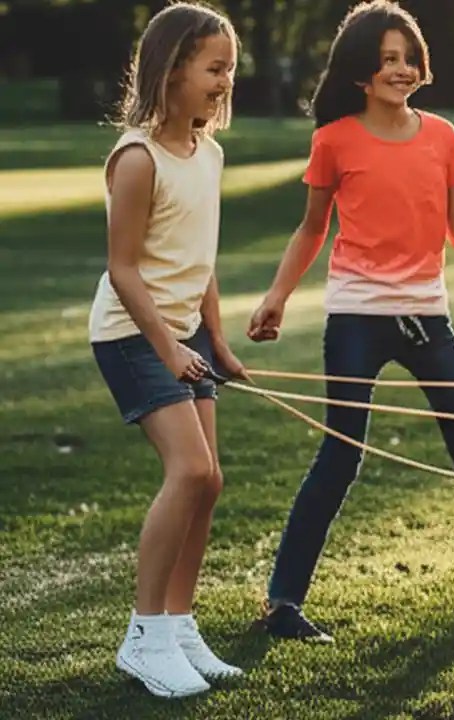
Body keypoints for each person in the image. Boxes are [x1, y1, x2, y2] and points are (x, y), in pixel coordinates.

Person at [247, 0, 454, 643]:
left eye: (408, 58)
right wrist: (277, 296)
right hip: (357, 317)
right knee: (342, 452)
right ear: (361, 74)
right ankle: (283, 601)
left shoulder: (443, 136)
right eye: (386, 60)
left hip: (427, 315)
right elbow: (313, 228)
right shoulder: (334, 139)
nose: (400, 69)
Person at [89, 2, 246, 698]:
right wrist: (171, 347)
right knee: (188, 470)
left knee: (209, 482)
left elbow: (199, 259)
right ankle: (144, 637)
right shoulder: (136, 158)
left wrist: (214, 338)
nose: (224, 82)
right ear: (172, 68)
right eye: (214, 68)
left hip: (183, 333)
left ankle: (178, 625)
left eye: (229, 70)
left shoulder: (206, 152)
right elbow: (124, 270)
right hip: (131, 333)